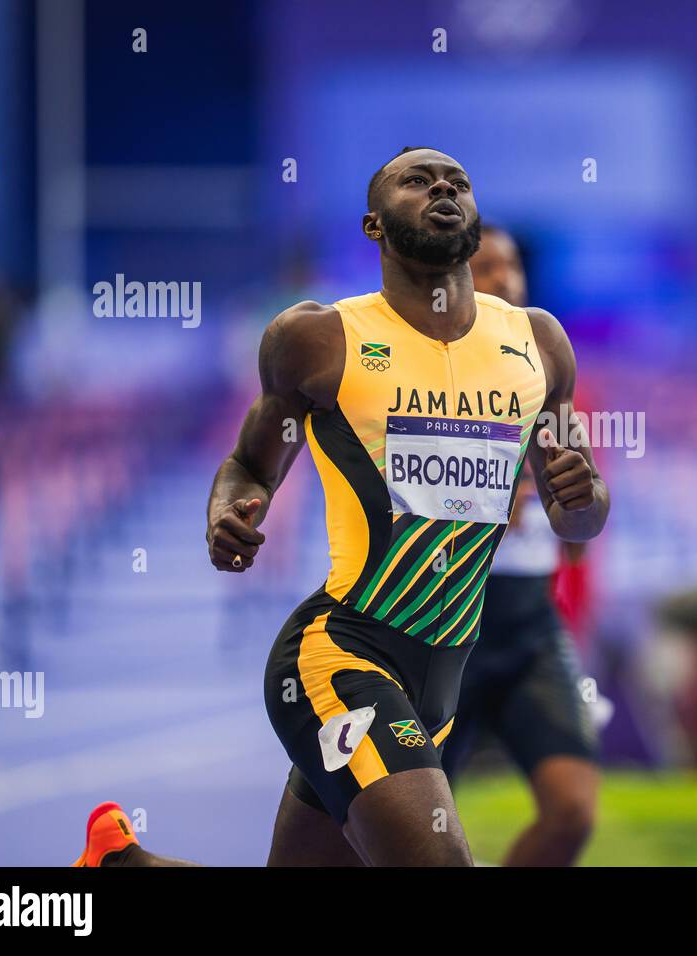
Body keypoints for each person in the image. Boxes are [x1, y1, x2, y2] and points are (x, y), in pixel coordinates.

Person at [74, 147, 609, 867]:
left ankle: (120, 866)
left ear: (476, 225)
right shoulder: (320, 340)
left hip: (443, 676)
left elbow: (579, 513)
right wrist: (228, 513)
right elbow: (248, 465)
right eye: (417, 182)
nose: (442, 190)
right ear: (373, 224)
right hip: (343, 654)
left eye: (458, 183)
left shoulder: (538, 344)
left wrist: (582, 500)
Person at [440, 225, 600, 866]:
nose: (506, 280)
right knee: (405, 845)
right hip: (442, 624)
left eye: (513, 269)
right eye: (488, 268)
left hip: (530, 622)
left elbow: (584, 527)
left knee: (572, 813)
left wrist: (580, 502)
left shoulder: (544, 375)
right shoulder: (422, 374)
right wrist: (481, 500)